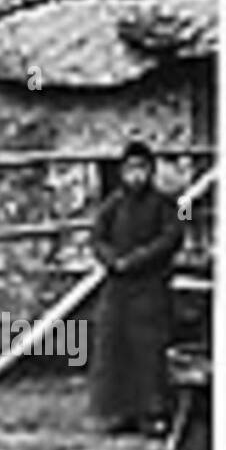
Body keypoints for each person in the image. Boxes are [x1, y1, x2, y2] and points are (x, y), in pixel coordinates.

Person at [89, 140, 182, 435]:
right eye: (130, 169)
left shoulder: (166, 205)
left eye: (142, 168)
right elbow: (97, 238)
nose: (136, 175)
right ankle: (117, 413)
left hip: (149, 289)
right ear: (122, 172)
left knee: (148, 351)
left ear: (151, 171)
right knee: (114, 347)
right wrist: (113, 260)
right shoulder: (113, 205)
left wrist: (137, 260)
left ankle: (151, 414)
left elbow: (171, 238)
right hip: (117, 290)